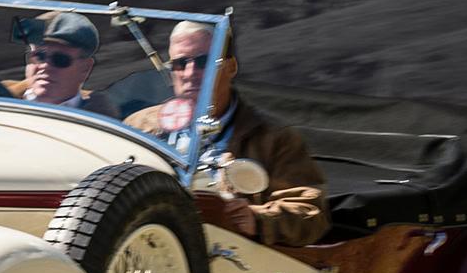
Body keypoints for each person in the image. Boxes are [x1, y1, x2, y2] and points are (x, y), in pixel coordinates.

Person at [124, 21, 330, 246]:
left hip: (226, 253)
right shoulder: (138, 126)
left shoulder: (274, 138)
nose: (190, 73)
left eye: (203, 62)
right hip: (141, 246)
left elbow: (310, 211)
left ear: (231, 67)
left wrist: (257, 218)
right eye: (180, 63)